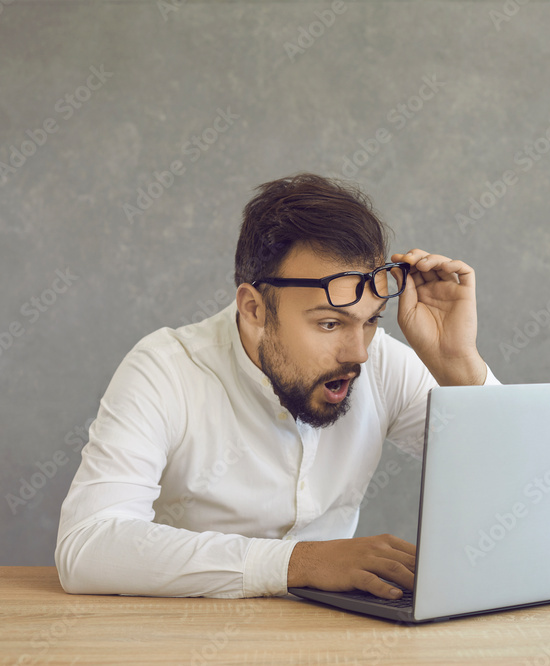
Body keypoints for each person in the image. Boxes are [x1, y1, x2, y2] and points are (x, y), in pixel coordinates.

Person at [55, 173, 500, 600]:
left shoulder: (382, 361)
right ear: (253, 308)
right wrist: (298, 564)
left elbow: (528, 486)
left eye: (369, 322)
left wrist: (458, 364)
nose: (358, 353)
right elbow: (88, 545)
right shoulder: (166, 370)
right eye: (329, 323)